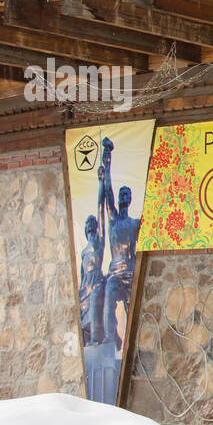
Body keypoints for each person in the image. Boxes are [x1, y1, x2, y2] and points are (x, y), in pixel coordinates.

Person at [98, 137, 139, 354]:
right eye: (122, 194)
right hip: (114, 273)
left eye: (127, 194)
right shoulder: (113, 218)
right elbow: (107, 192)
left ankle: (134, 345)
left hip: (130, 273)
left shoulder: (134, 223)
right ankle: (110, 340)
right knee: (107, 305)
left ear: (130, 199)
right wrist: (108, 159)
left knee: (134, 313)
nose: (123, 196)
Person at [78, 214, 105, 345]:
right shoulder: (83, 252)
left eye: (93, 222)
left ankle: (96, 339)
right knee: (82, 316)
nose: (91, 224)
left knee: (94, 311)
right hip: (85, 285)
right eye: (88, 222)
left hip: (95, 281)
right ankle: (86, 341)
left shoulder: (99, 242)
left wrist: (103, 192)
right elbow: (82, 272)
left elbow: (102, 220)